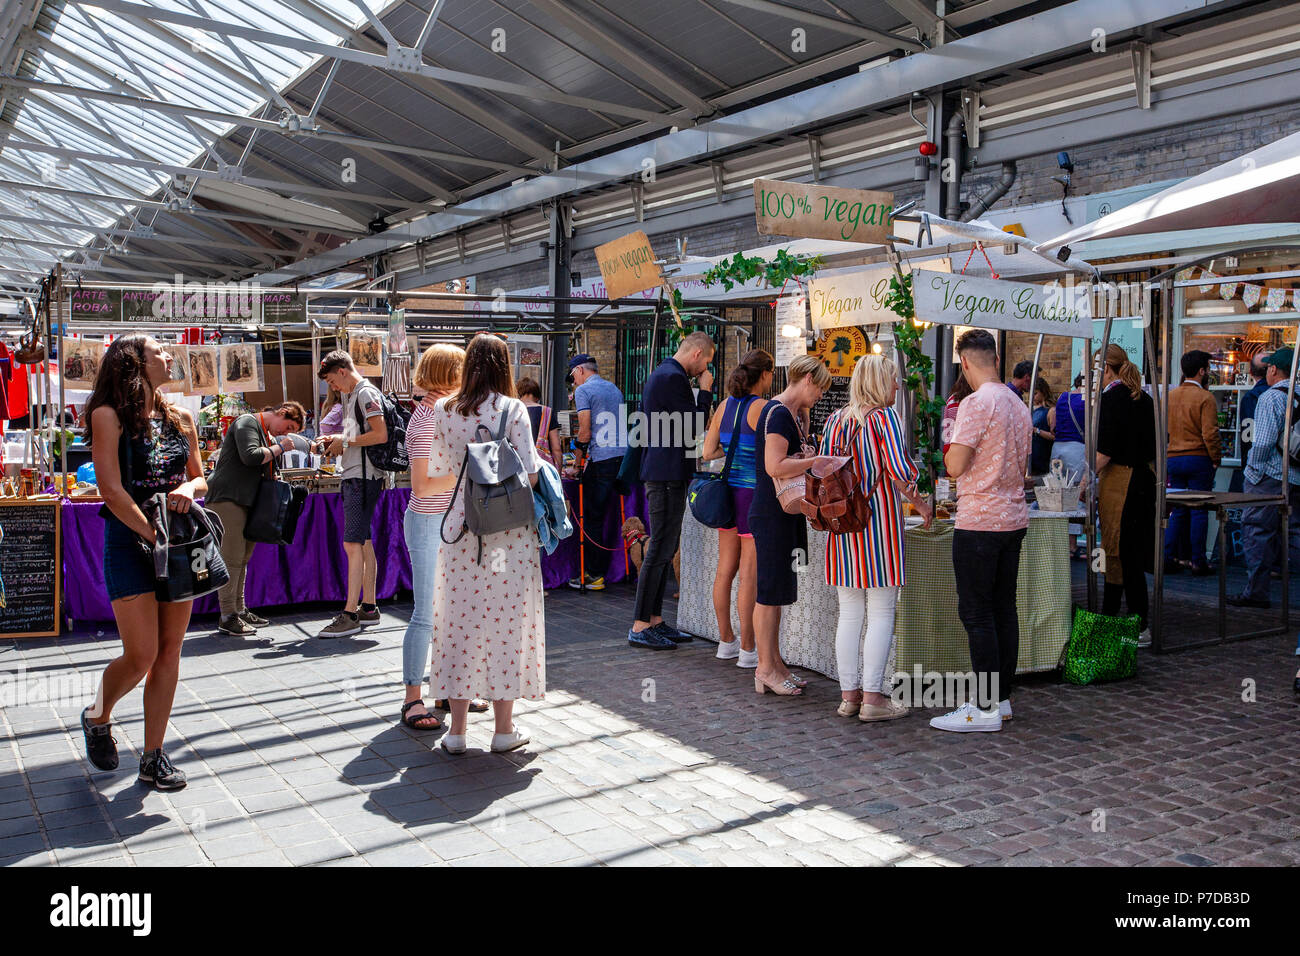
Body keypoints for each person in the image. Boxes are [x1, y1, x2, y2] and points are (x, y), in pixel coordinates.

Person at [79, 334, 207, 790]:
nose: (170, 356)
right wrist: (152, 534)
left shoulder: (182, 418)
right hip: (131, 543)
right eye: (160, 351)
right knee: (141, 654)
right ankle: (98, 715)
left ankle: (153, 755)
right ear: (135, 362)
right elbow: (110, 490)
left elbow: (200, 480)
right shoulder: (107, 415)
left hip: (176, 545)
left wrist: (188, 491)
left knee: (171, 650)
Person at [425, 334, 542, 754]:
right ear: (503, 366)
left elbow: (441, 468)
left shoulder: (443, 409)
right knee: (505, 625)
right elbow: (529, 476)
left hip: (461, 526)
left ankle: (456, 732)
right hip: (506, 530)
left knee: (458, 625)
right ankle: (502, 729)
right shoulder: (514, 410)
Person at [821, 354, 931, 720]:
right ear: (882, 383)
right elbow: (901, 473)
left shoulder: (836, 420)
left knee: (849, 614)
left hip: (842, 527)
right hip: (878, 526)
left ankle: (848, 696)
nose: (898, 386)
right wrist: (923, 504)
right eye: (894, 380)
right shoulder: (885, 418)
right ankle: (873, 699)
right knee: (881, 612)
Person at [932, 329, 1030, 733]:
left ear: (966, 362)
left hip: (979, 520)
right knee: (1003, 608)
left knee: (977, 612)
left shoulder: (976, 403)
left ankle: (985, 706)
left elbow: (954, 465)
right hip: (1012, 517)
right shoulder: (1017, 403)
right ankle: (1001, 699)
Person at [750, 354, 832, 695]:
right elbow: (774, 466)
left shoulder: (790, 414)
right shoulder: (780, 413)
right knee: (769, 594)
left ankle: (775, 662)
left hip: (780, 514)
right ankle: (765, 668)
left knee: (778, 592)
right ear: (808, 381)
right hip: (772, 514)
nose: (820, 397)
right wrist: (817, 460)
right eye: (821, 389)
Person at [628, 331, 715, 650]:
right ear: (696, 354)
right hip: (665, 474)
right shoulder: (673, 378)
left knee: (665, 548)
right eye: (707, 361)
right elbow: (693, 427)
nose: (706, 368)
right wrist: (704, 394)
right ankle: (639, 624)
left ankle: (654, 620)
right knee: (659, 548)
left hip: (667, 471)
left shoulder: (667, 374)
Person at [206, 401, 306, 636]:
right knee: (232, 557)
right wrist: (279, 448)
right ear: (281, 413)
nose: (285, 432)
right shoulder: (247, 423)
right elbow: (250, 456)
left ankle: (239, 610)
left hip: (245, 500)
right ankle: (228, 614)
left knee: (242, 558)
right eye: (288, 425)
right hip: (228, 497)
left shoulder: (263, 432)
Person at [700, 348, 772, 669]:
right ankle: (747, 650)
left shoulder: (724, 406)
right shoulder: (764, 408)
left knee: (725, 569)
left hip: (727, 493)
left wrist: (728, 449)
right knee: (749, 576)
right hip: (751, 495)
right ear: (765, 375)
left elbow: (707, 451)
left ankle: (725, 640)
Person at [314, 350, 388, 638]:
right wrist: (337, 441)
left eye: (332, 380)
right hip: (358, 474)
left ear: (343, 372)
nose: (332, 387)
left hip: (362, 476)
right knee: (363, 541)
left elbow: (380, 434)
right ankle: (367, 607)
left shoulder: (364, 394)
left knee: (352, 544)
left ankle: (349, 613)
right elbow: (355, 436)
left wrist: (343, 440)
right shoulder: (352, 396)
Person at [1228, 348, 1300, 610]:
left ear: (1273, 370)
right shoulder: (1298, 394)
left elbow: (1263, 442)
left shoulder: (1271, 397)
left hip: (1269, 476)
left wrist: (1252, 471)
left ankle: (1256, 592)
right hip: (1296, 476)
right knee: (1293, 533)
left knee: (1257, 531)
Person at [1094, 344, 1157, 645]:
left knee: (1118, 550)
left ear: (1107, 369)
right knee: (1128, 551)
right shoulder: (1144, 398)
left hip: (1122, 479)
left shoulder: (1111, 399)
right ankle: (1124, 617)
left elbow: (1104, 451)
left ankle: (1135, 620)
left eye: (1097, 370)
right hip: (1144, 480)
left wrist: (1083, 478)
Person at [568, 354, 628, 591]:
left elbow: (584, 431)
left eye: (573, 376)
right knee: (612, 513)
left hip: (601, 459)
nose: (573, 382)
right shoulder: (614, 389)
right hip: (621, 457)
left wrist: (577, 462)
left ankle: (594, 575)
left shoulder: (584, 391)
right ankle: (619, 568)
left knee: (592, 516)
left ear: (580, 370)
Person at [1165, 349, 1220, 575]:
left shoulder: (1169, 396)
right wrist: (1216, 458)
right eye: (1207, 369)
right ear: (1201, 371)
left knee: (1177, 509)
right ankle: (1198, 561)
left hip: (1174, 457)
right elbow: (1210, 433)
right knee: (1199, 510)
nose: (1208, 372)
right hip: (1198, 458)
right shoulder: (1205, 397)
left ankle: (1167, 557)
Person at [1050, 373, 1088, 556]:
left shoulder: (1063, 397)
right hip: (1076, 449)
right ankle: (1072, 545)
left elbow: (1053, 424)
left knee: (1059, 495)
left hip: (1057, 449)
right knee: (1075, 497)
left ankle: (1059, 542)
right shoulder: (1086, 400)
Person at [1232, 352, 1270, 493]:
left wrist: (1248, 467)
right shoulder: (1287, 394)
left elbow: (1248, 436)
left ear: (1251, 372)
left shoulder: (1251, 397)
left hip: (1258, 468)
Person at [517, 377, 563, 468]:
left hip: (518, 469)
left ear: (519, 394)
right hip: (541, 468)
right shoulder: (547, 412)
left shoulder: (512, 411)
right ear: (537, 396)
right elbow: (556, 448)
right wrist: (558, 474)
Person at [1030, 377, 1054, 477]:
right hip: (1032, 456)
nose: (1033, 397)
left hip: (1043, 453)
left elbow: (1054, 436)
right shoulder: (1031, 410)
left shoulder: (1050, 410)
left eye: (1035, 393)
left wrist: (1036, 431)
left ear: (1043, 392)